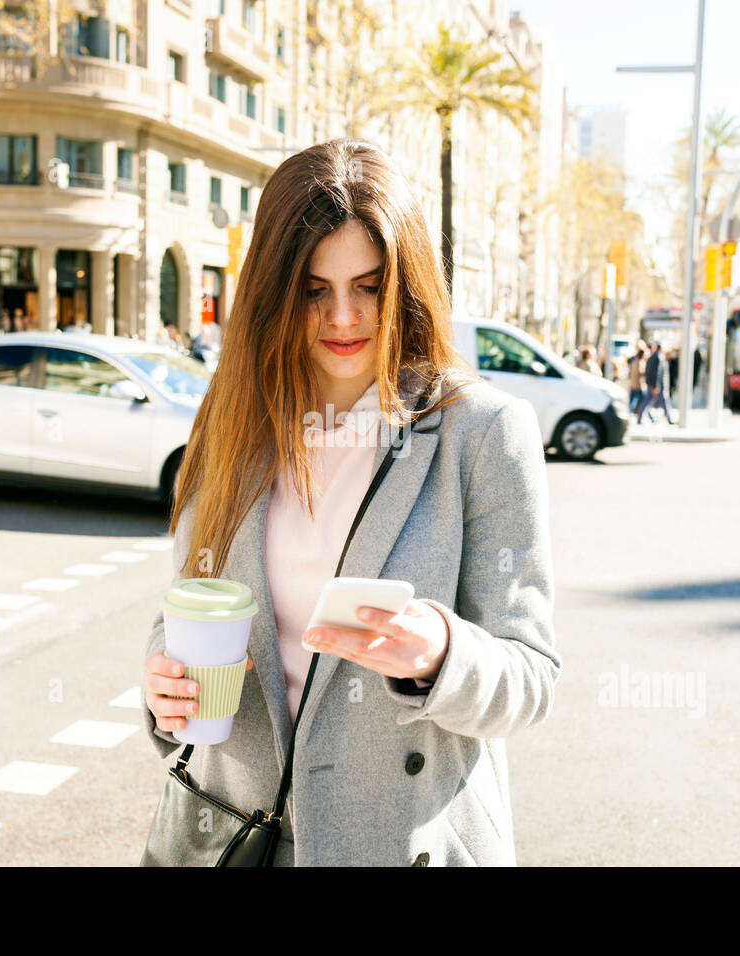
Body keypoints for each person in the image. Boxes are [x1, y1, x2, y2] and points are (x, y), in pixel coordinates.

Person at [141, 140, 558, 867]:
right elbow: (186, 607)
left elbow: (531, 677)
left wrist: (440, 654)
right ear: (276, 290)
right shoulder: (232, 422)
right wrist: (162, 687)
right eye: (313, 288)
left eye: (368, 285)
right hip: (236, 836)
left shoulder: (482, 433)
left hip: (402, 845)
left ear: (407, 283)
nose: (343, 316)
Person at [636, 341, 673, 425]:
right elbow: (657, 373)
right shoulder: (657, 358)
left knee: (648, 401)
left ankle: (641, 418)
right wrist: (656, 386)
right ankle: (668, 418)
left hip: (654, 385)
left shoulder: (654, 357)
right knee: (661, 401)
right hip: (657, 386)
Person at [627, 341, 646, 415]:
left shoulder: (633, 360)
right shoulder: (640, 362)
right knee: (644, 402)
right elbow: (641, 373)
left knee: (634, 402)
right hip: (638, 385)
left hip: (633, 384)